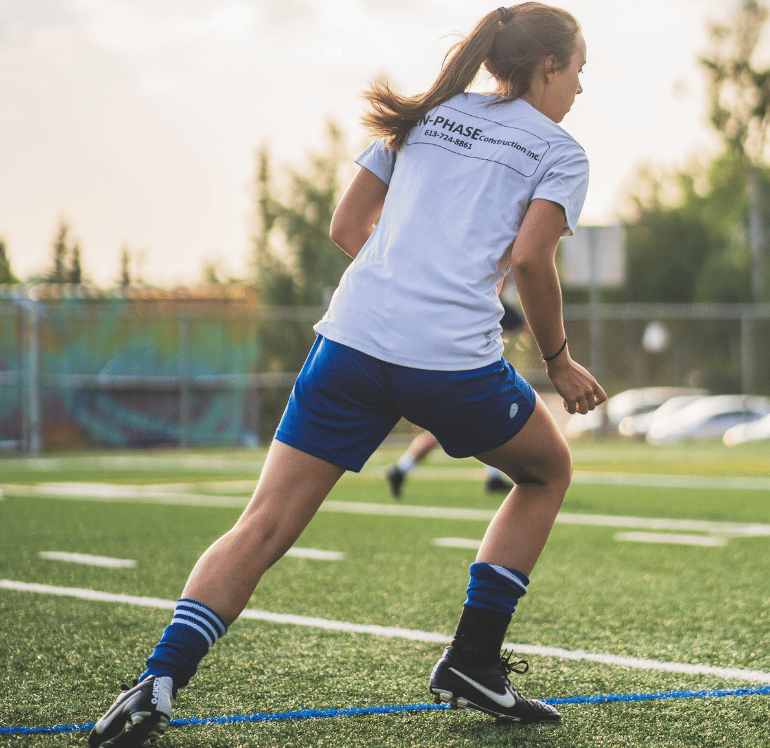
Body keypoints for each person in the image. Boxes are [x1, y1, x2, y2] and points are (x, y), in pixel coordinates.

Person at [89, 4, 603, 745]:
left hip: (349, 344)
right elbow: (529, 259)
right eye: (579, 70)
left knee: (261, 525)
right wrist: (557, 361)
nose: (580, 89)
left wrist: (399, 287)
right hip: (448, 362)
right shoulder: (560, 149)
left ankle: (157, 680)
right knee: (546, 471)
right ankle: (473, 660)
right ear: (548, 66)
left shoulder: (423, 112)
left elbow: (345, 228)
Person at [386, 299, 525, 498]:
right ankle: (401, 468)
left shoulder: (457, 298)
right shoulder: (488, 301)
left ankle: (402, 468)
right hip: (465, 375)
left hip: (447, 372)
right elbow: (527, 327)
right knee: (450, 428)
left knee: (477, 425)